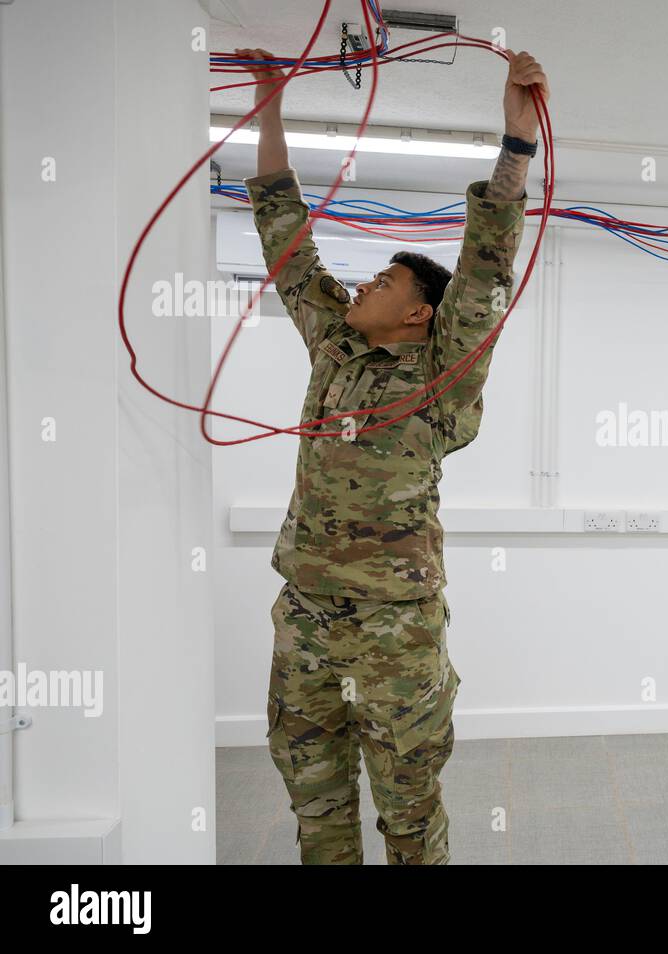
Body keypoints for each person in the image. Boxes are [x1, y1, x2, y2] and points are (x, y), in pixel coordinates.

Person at [232, 45, 550, 864]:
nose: (364, 285)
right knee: (317, 804)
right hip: (305, 619)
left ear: (417, 317)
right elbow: (284, 235)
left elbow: (484, 271)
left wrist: (515, 150)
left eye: (384, 281)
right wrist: (270, 104)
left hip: (395, 633)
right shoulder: (335, 349)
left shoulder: (440, 382)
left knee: (408, 813)